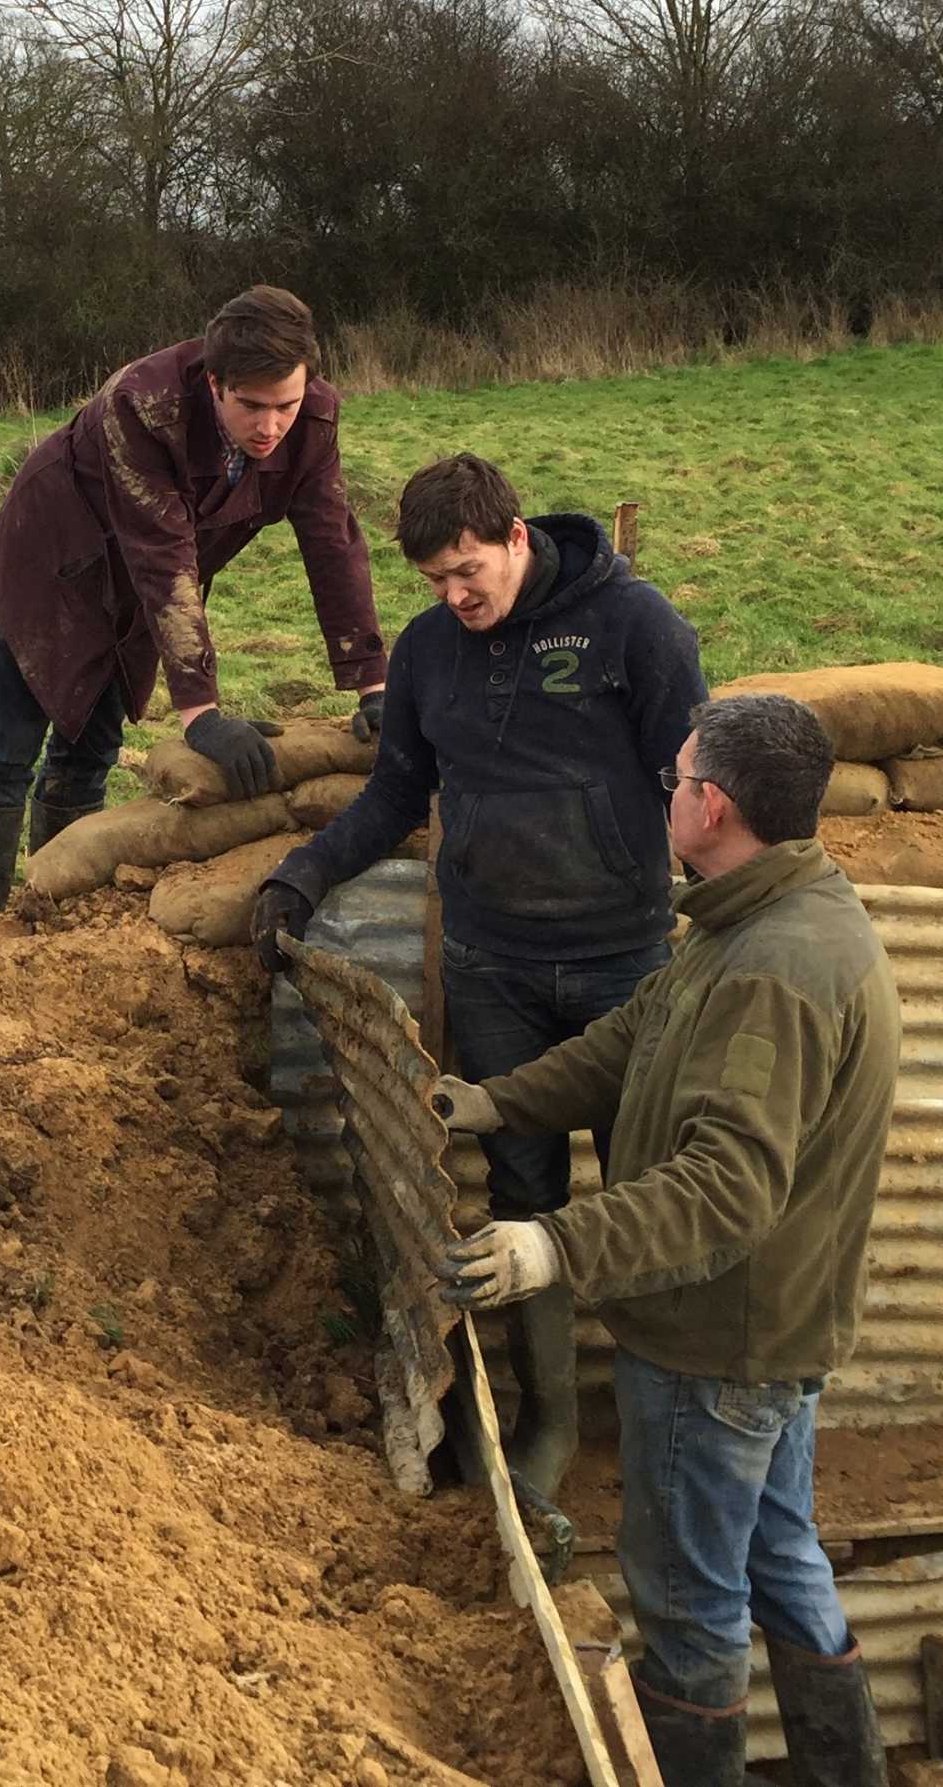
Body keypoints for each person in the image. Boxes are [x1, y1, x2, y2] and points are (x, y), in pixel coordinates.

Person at [432, 693, 900, 1787]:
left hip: (715, 1346)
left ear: (713, 805)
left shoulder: (772, 972)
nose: (667, 798)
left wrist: (555, 1246)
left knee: (688, 1603)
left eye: (674, 781)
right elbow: (628, 1042)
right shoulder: (754, 919)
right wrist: (493, 1105)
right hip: (773, 1332)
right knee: (781, 1555)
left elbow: (727, 1189)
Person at [253, 452, 704, 1495]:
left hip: (623, 964)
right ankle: (546, 1430)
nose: (456, 598)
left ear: (514, 538)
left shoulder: (634, 626)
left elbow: (693, 779)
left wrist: (720, 917)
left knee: (644, 1184)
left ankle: (659, 1422)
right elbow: (396, 791)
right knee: (519, 1191)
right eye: (433, 583)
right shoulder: (428, 653)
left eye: (468, 572)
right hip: (493, 967)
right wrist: (301, 876)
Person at [0, 284, 386, 914]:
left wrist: (372, 685)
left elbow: (333, 546)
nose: (270, 426)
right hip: (51, 565)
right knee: (7, 748)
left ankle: (48, 907)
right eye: (251, 406)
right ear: (214, 383)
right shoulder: (144, 405)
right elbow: (163, 558)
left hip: (145, 592)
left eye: (286, 406)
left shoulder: (313, 422)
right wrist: (202, 715)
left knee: (90, 749)